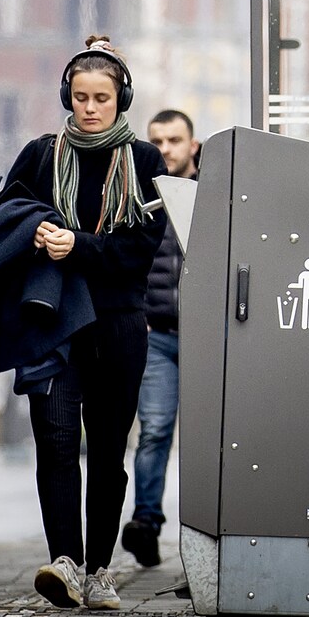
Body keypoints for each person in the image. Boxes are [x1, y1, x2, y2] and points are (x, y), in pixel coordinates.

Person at [9, 37, 168, 612]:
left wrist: (77, 245)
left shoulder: (146, 162)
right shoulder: (39, 156)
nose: (90, 108)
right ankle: (67, 564)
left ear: (121, 98)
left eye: (102, 97)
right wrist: (33, 236)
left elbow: (138, 252)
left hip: (119, 324)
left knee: (106, 451)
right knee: (53, 443)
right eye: (80, 97)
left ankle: (100, 569)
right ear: (66, 98)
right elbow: (6, 224)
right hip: (52, 322)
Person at [121, 108, 197, 568]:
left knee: (215, 438)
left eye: (174, 140)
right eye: (157, 141)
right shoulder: (134, 196)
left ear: (193, 144)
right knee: (154, 430)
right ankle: (146, 523)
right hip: (158, 336)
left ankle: (211, 526)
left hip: (209, 338)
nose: (165, 149)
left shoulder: (217, 193)